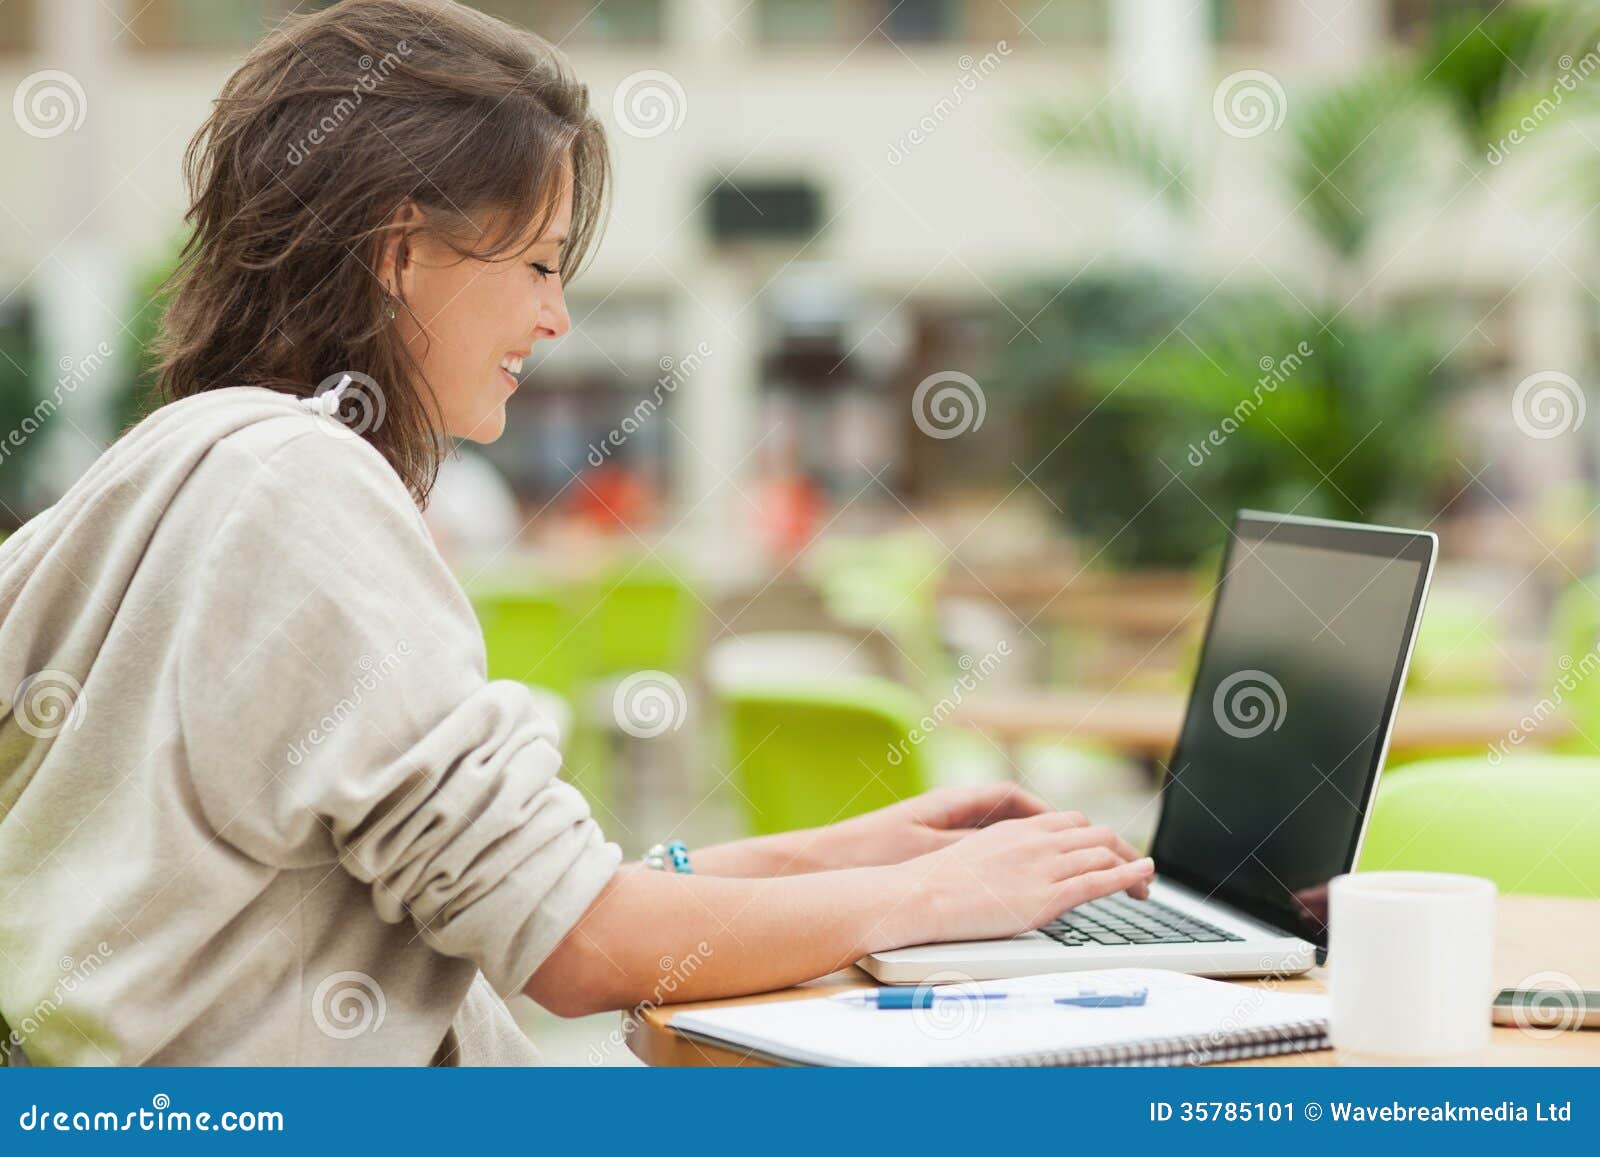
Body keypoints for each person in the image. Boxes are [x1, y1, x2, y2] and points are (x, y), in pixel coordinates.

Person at [0, 0, 1152, 1066]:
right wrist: (934, 903)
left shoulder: (182, 461)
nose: (554, 316)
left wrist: (836, 854)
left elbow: (528, 900)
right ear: (400, 253)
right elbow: (579, 954)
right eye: (540, 264)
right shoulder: (300, 488)